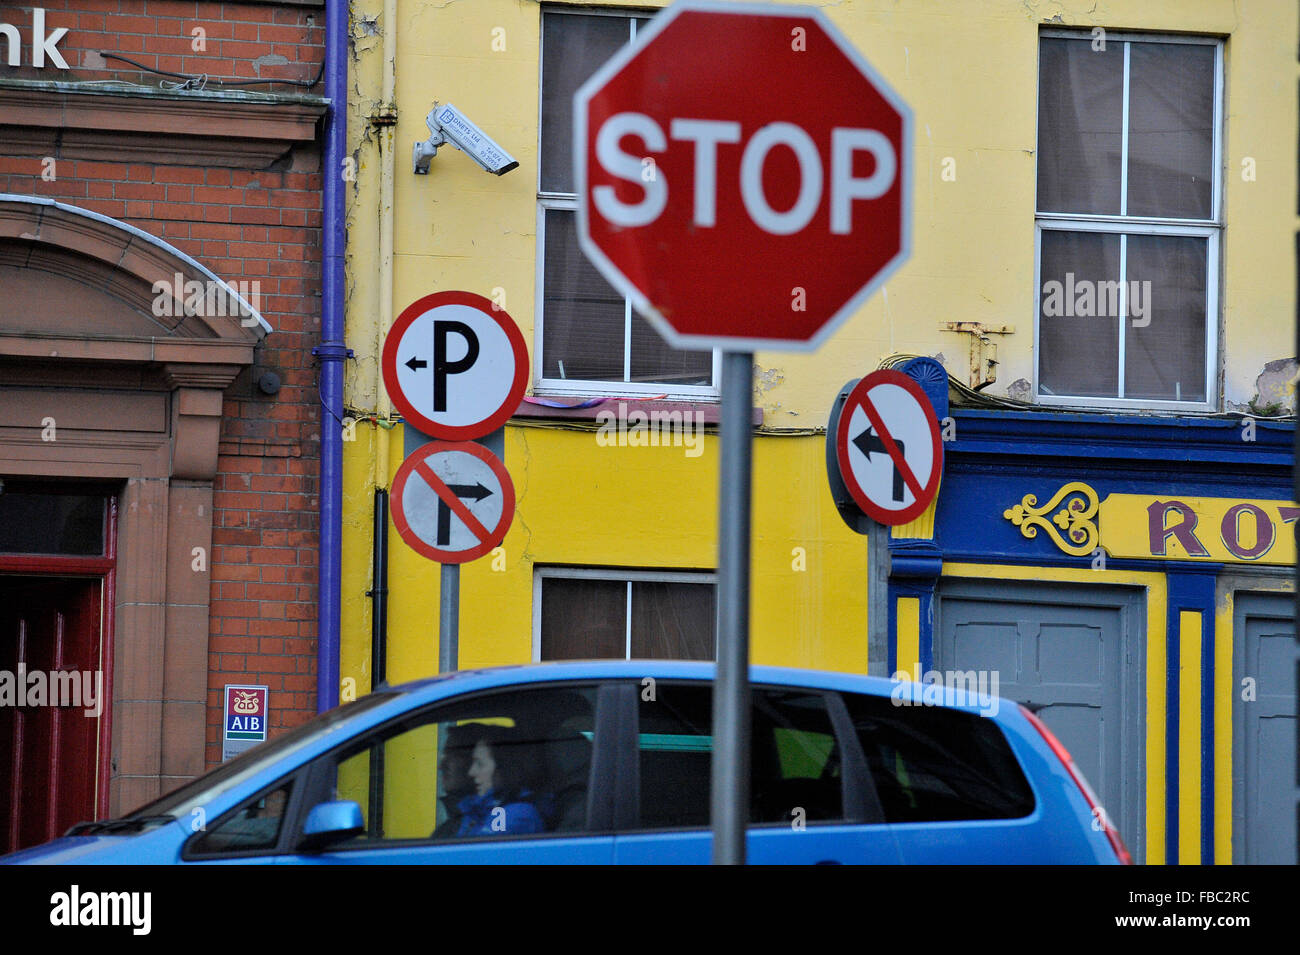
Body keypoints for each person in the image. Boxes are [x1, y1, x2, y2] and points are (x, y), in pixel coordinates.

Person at [455, 724, 554, 837]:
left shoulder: (517, 816)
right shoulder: (480, 811)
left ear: (504, 769)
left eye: (480, 764)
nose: (471, 772)